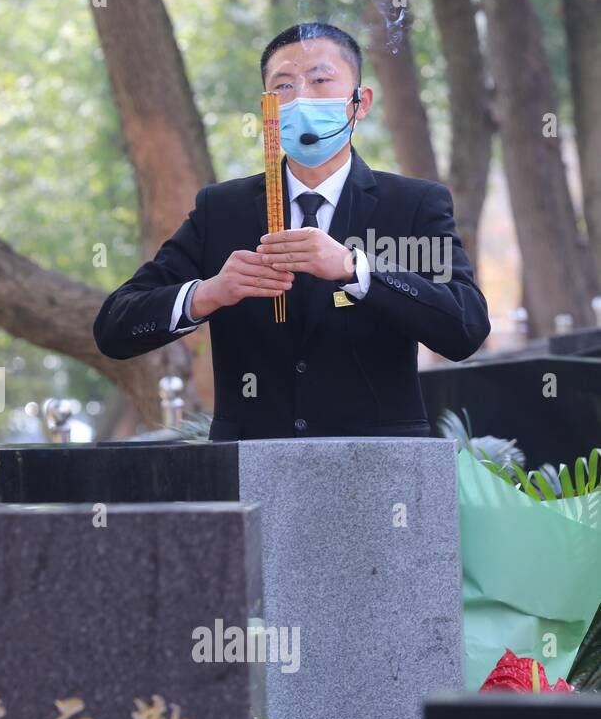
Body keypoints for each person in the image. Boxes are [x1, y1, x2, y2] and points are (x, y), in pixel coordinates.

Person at [93, 22, 490, 440]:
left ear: (361, 102)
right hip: (251, 467)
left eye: (320, 79)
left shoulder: (412, 204)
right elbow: (115, 329)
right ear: (267, 109)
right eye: (283, 86)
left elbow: (465, 328)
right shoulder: (222, 209)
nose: (301, 96)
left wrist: (356, 269)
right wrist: (209, 293)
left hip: (378, 464)